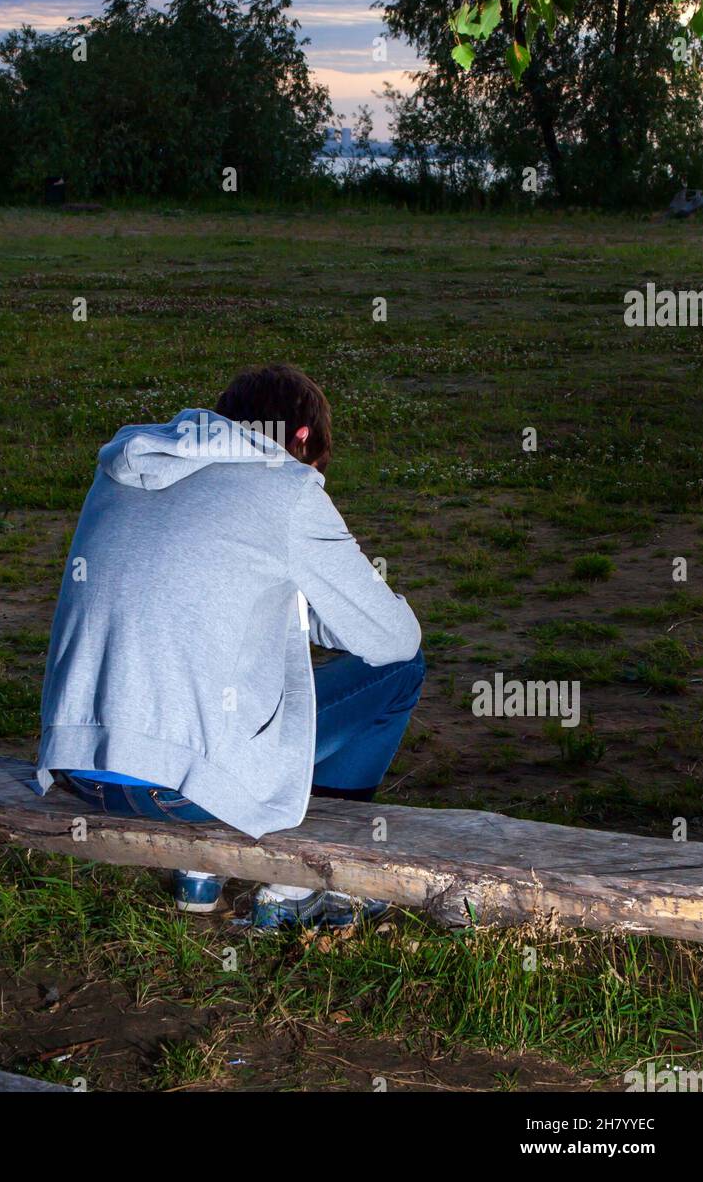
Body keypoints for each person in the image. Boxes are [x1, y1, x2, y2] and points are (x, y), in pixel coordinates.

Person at [35, 364, 425, 931]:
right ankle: (298, 878)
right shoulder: (287, 486)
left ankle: (200, 874)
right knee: (401, 671)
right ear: (302, 440)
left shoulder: (123, 468)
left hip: (79, 764)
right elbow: (390, 638)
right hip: (177, 791)